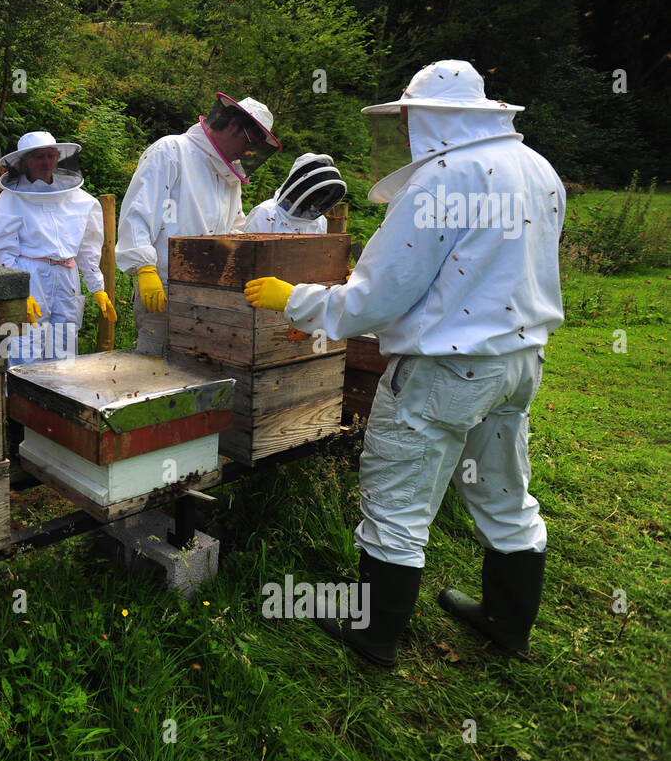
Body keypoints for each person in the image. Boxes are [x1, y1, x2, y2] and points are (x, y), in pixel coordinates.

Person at [244, 59, 564, 667]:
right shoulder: (537, 168)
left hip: (446, 371)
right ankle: (506, 624)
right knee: (504, 491)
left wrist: (299, 301)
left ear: (435, 118)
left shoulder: (443, 179)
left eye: (412, 118)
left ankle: (373, 636)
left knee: (397, 500)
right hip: (519, 362)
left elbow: (379, 296)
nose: (408, 132)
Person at [116, 93, 280, 355]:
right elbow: (138, 211)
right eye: (250, 141)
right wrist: (144, 268)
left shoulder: (230, 175)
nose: (249, 152)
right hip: (164, 288)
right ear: (231, 125)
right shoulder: (171, 150)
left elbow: (235, 229)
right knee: (152, 374)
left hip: (211, 292)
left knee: (196, 374)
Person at [0, 131, 116, 365]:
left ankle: (60, 400)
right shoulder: (9, 201)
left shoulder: (80, 200)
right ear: (25, 162)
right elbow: (2, 252)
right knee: (25, 347)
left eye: (50, 156)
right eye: (39, 157)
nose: (46, 162)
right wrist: (18, 290)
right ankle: (22, 399)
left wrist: (97, 286)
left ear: (58, 158)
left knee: (64, 348)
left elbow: (87, 248)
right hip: (30, 276)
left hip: (67, 278)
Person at [241, 153, 346, 235]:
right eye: (311, 191)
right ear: (295, 187)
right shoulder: (265, 213)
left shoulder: (320, 221)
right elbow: (247, 254)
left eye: (320, 193)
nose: (314, 197)